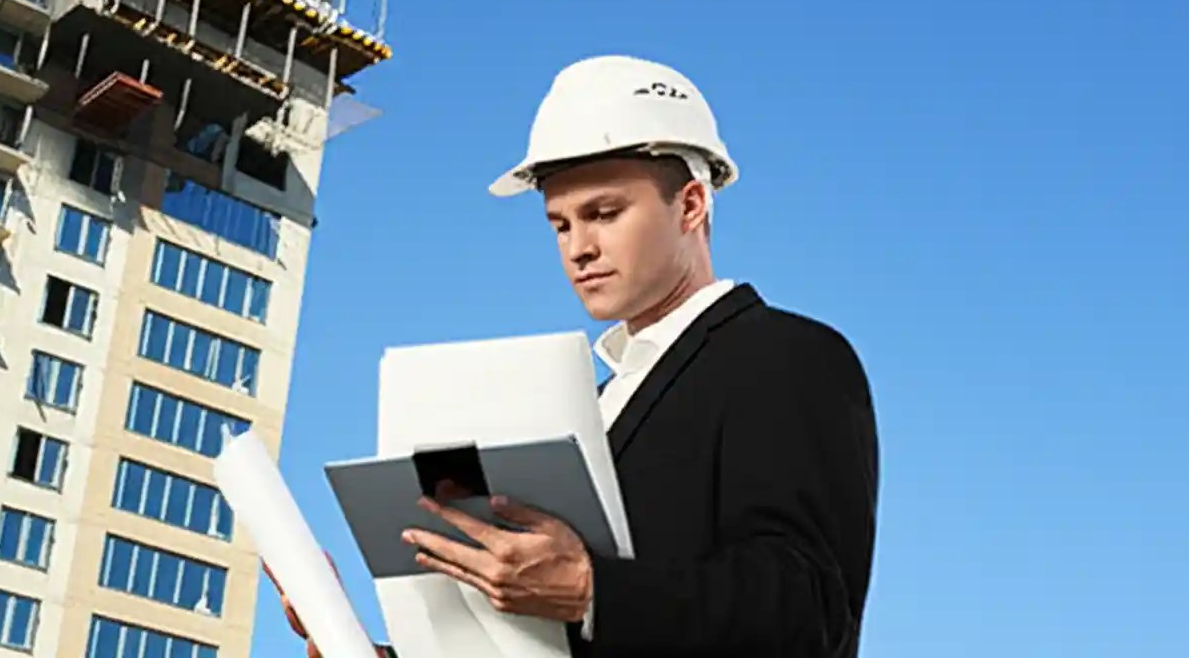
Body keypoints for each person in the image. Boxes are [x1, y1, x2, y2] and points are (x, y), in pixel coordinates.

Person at [270, 55, 880, 657]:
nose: (579, 248)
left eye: (604, 214)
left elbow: (810, 611)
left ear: (690, 205)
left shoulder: (785, 356)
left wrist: (591, 589)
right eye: (560, 225)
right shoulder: (594, 407)